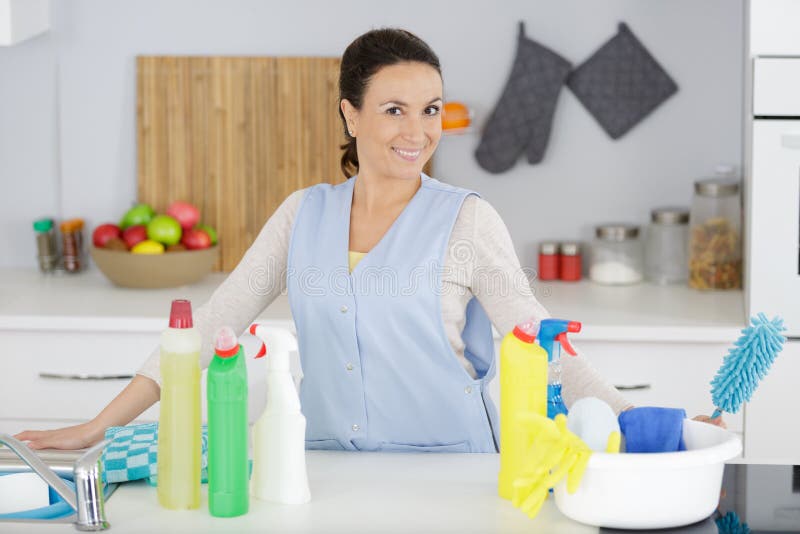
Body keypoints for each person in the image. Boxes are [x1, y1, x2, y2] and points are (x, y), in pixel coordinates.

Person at [15, 28, 722, 452]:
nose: (417, 131)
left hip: (454, 473)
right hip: (328, 472)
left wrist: (653, 426)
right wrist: (96, 426)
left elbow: (547, 345)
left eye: (431, 110)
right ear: (350, 114)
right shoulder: (303, 214)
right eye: (393, 110)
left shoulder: (468, 219)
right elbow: (206, 330)